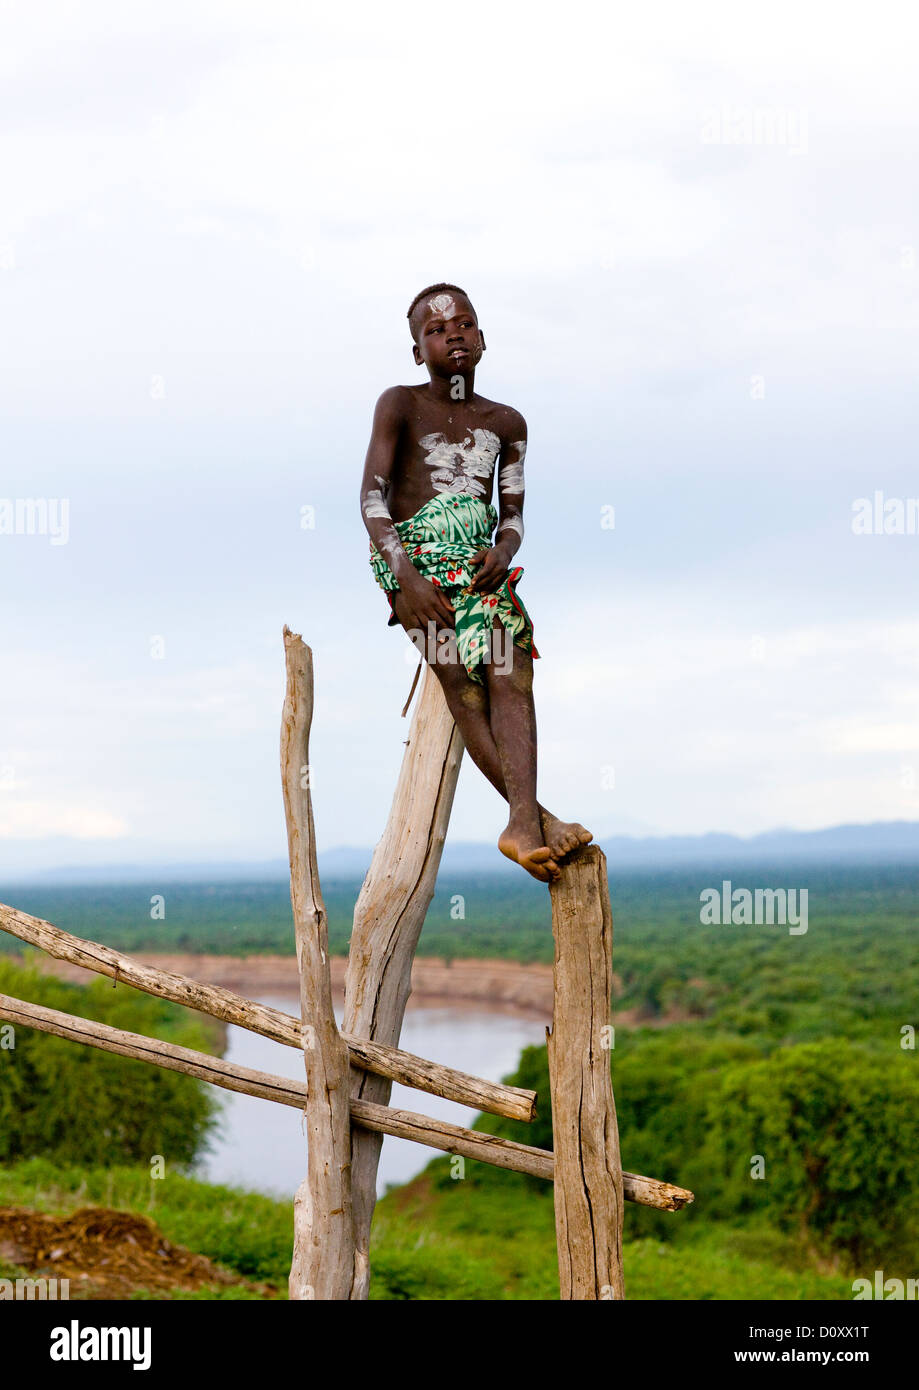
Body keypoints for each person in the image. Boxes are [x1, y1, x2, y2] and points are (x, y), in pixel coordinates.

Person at [359, 283, 591, 882]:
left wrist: (503, 548)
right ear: (417, 352)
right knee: (462, 683)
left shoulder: (507, 423)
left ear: (482, 339)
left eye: (464, 324)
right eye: (435, 330)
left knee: (512, 673)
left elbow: (512, 514)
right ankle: (533, 819)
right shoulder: (400, 405)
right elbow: (371, 498)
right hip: (413, 561)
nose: (452, 333)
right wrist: (406, 578)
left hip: (479, 564)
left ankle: (522, 825)